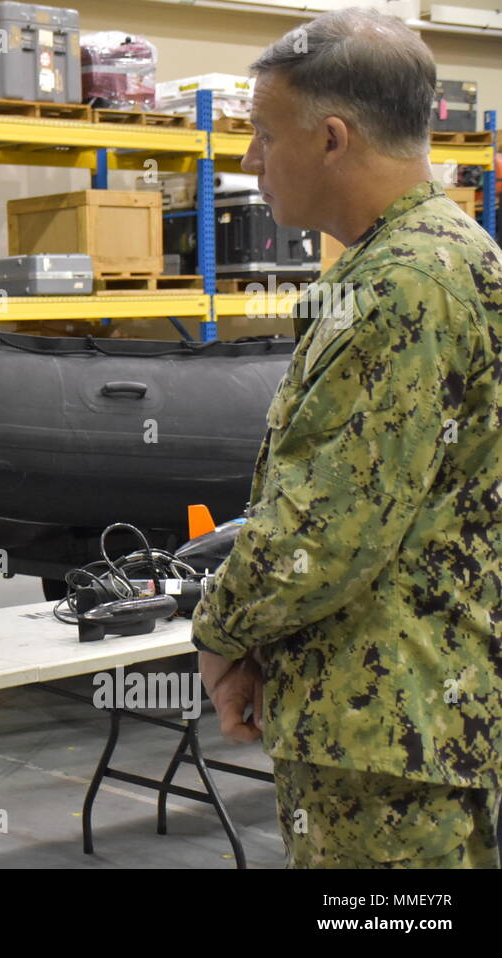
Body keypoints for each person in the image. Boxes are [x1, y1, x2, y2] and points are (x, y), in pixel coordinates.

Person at [192, 8, 502, 868]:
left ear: (332, 137)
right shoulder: (446, 258)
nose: (250, 164)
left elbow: (321, 535)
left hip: (381, 741)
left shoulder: (400, 287)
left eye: (262, 135)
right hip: (420, 719)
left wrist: (219, 632)